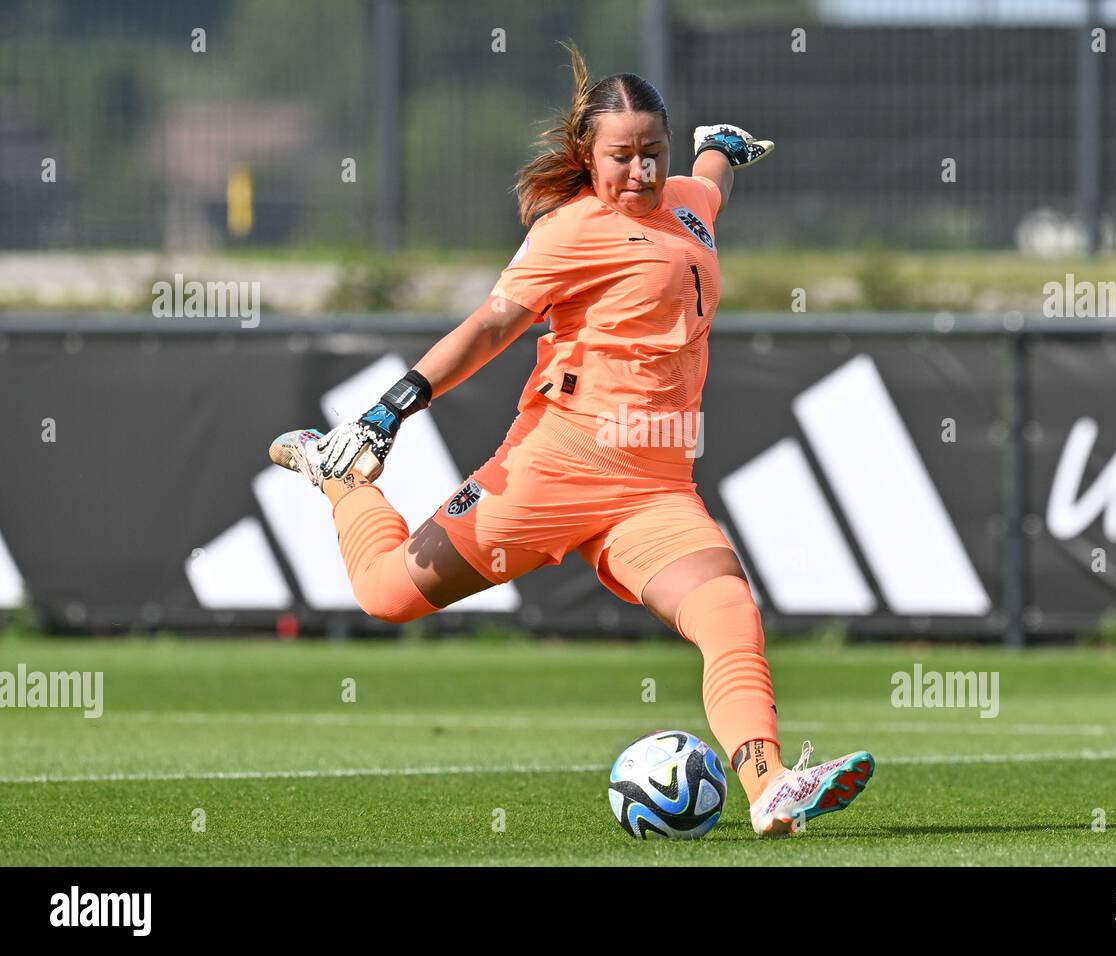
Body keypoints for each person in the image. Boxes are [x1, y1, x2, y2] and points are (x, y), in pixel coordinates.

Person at [269, 42, 873, 837]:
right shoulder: (570, 231)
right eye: (621, 158)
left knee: (727, 608)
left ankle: (769, 787)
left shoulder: (688, 201)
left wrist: (718, 150)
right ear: (588, 158)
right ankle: (338, 478)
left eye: (653, 154)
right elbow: (491, 327)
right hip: (553, 467)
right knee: (384, 594)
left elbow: (710, 185)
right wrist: (388, 411)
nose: (641, 174)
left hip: (655, 488)